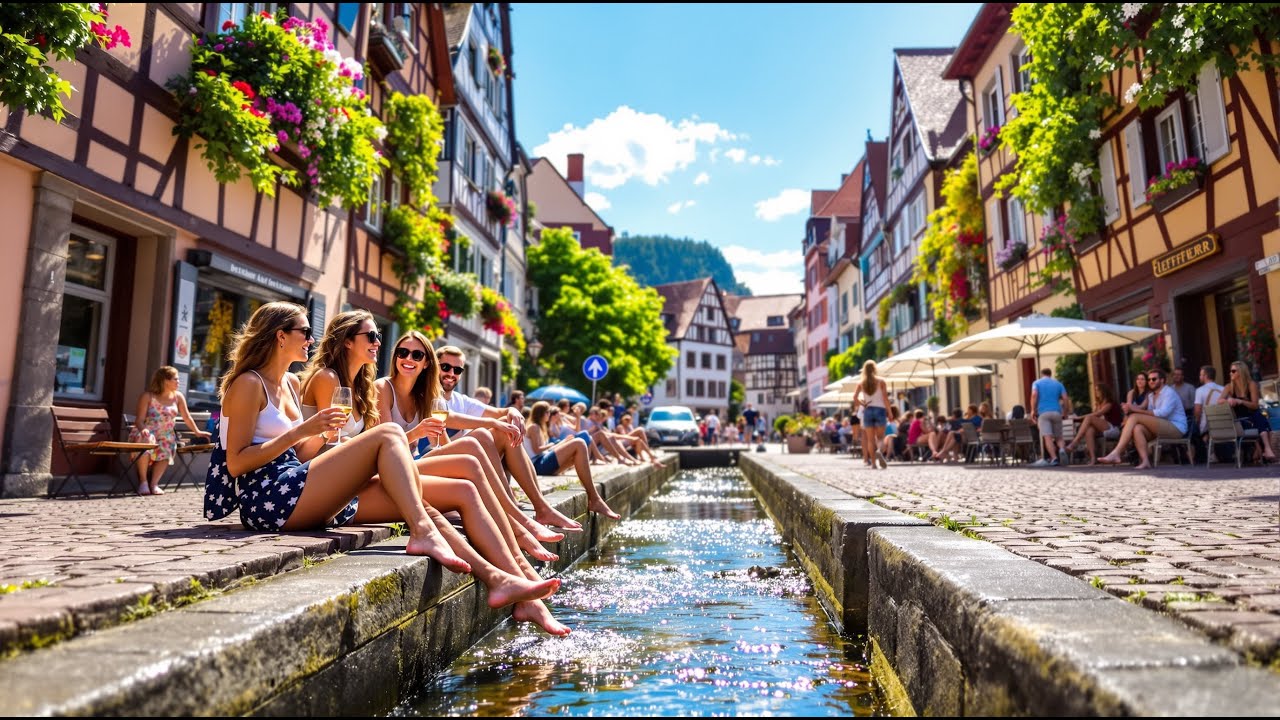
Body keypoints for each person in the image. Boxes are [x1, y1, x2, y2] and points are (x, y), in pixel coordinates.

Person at [203, 302, 560, 616]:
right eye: (305, 331)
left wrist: (321, 436)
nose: (311, 339)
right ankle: (426, 533)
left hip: (299, 485)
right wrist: (304, 433)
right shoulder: (248, 384)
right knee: (391, 438)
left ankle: (504, 582)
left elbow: (305, 454)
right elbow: (236, 464)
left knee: (438, 498)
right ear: (280, 336)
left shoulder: (292, 385)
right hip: (268, 501)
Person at [373, 331, 566, 561]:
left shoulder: (423, 394)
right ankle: (521, 524)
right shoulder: (382, 388)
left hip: (415, 464)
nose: (409, 359)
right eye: (403, 353)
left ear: (426, 363)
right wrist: (418, 432)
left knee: (481, 438)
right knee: (473, 447)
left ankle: (521, 520)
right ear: (395, 357)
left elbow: (450, 418)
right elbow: (385, 443)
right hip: (395, 471)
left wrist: (495, 421)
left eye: (417, 355)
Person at [436, 345, 609, 527]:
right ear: (435, 367)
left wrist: (512, 411)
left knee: (507, 427)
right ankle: (525, 507)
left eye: (457, 369)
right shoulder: (428, 396)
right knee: (490, 433)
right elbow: (448, 421)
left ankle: (536, 505)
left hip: (459, 465)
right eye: (445, 367)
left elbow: (497, 412)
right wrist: (494, 423)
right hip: (440, 468)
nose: (451, 373)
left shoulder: (460, 400)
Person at [524, 401, 620, 519]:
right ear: (541, 413)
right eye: (548, 412)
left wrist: (562, 443)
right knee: (579, 443)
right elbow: (537, 450)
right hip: (538, 464)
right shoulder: (534, 427)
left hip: (542, 461)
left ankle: (593, 495)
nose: (549, 414)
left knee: (577, 453)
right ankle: (595, 499)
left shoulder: (541, 427)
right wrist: (560, 443)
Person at [130, 366, 210, 495]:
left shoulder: (178, 397)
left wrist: (197, 432)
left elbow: (187, 417)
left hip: (166, 433)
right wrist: (144, 430)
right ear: (165, 380)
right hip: (147, 431)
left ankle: (154, 484)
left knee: (168, 444)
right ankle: (143, 482)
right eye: (176, 379)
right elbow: (139, 420)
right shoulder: (148, 396)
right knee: (145, 440)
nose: (178, 382)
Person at [1098, 368, 1188, 469]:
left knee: (1135, 417)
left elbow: (1163, 413)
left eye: (1154, 379)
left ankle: (1117, 452)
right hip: (1161, 426)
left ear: (1162, 380)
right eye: (1149, 380)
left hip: (1176, 428)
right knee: (1137, 428)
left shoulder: (1169, 393)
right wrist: (1129, 408)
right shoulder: (1150, 396)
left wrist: (1135, 410)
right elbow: (1146, 413)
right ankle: (1145, 461)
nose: (1150, 382)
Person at [1217, 360, 1277, 463]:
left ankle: (1264, 450)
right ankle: (1265, 449)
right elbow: (1219, 401)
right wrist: (1228, 400)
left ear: (1241, 372)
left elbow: (1254, 405)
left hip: (1252, 416)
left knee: (1258, 415)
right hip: (1240, 421)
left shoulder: (1251, 385)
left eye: (1233, 371)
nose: (1230, 373)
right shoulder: (1229, 387)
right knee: (1261, 419)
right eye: (1230, 371)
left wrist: (1241, 401)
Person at [1064, 383, 1123, 465]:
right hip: (1104, 427)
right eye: (1095, 390)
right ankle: (1093, 458)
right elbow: (1095, 415)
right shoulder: (1099, 403)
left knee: (1089, 418)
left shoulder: (1110, 403)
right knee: (1089, 429)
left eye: (1098, 390)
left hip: (1114, 428)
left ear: (1104, 391)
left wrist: (1079, 418)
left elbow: (1097, 414)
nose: (1096, 392)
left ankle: (1075, 442)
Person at [1030, 368, 1071, 466]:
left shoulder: (1037, 383)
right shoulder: (1058, 384)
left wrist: (1033, 410)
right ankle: (1061, 449)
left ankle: (1054, 458)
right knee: (1059, 437)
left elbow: (1034, 395)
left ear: (1041, 374)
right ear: (1050, 374)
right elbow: (1065, 398)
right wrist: (1065, 412)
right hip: (1057, 412)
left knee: (1047, 437)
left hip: (1043, 413)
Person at [852, 360, 889, 469]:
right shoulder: (881, 381)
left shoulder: (861, 383)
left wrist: (862, 403)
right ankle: (880, 452)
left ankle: (873, 463)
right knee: (881, 438)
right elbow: (885, 398)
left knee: (870, 439)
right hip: (880, 410)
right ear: (875, 369)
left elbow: (854, 398)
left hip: (868, 410)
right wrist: (890, 412)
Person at [1191, 365, 1223, 463]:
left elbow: (1197, 411)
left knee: (1190, 430)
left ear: (1205, 376)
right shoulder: (1223, 389)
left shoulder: (1200, 391)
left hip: (1207, 427)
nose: (1199, 377)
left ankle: (1195, 459)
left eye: (1201, 375)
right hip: (1224, 425)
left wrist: (1197, 422)